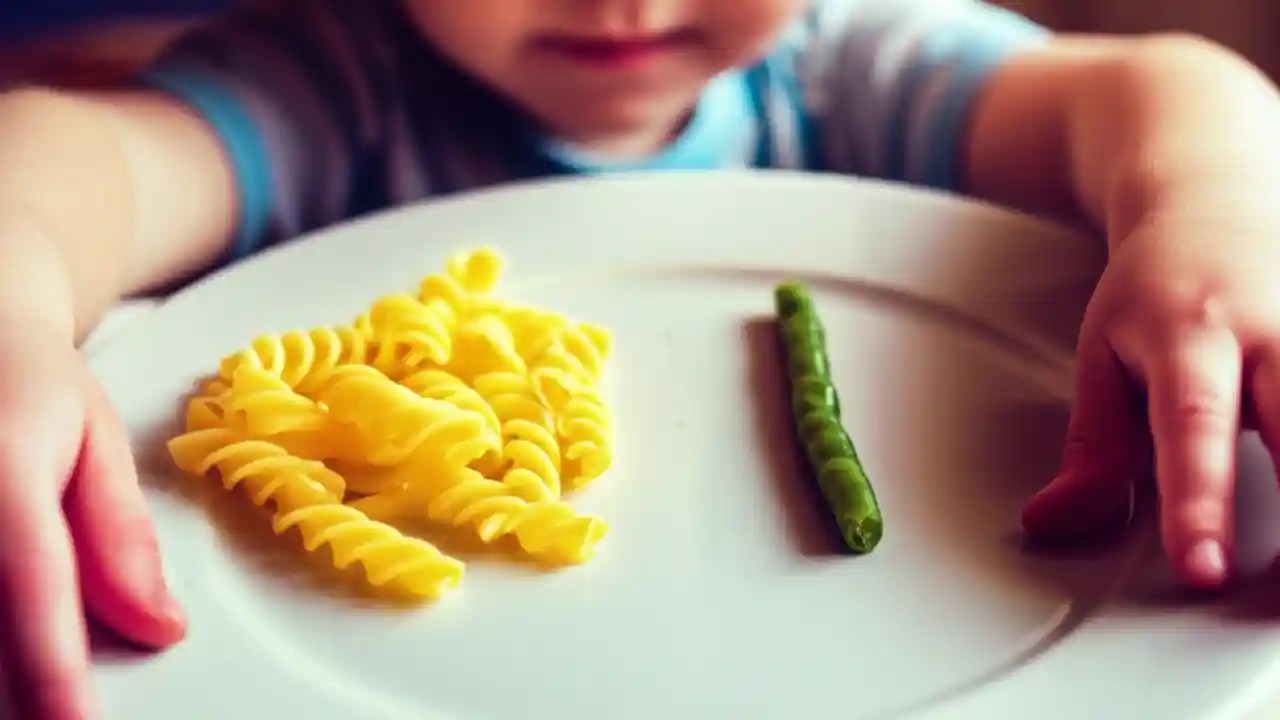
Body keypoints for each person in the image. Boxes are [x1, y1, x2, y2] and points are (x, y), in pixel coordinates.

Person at [2, 0, 1279, 717]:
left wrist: (1217, 205)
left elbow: (1153, 89)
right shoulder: (327, 91)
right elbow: (73, 158)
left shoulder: (853, 67)